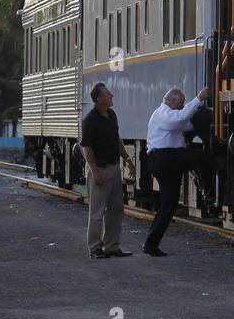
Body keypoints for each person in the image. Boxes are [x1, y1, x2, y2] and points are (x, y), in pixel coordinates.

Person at [142, 86, 214, 257]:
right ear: (173, 101)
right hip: (165, 159)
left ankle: (151, 245)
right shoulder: (162, 113)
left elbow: (185, 122)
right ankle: (209, 189)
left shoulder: (169, 115)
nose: (182, 107)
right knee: (205, 157)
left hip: (169, 160)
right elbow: (178, 119)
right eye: (181, 104)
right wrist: (198, 99)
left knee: (169, 204)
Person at [80, 82, 135, 259]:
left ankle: (112, 246)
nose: (112, 96)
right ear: (99, 99)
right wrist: (95, 172)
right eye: (108, 94)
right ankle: (95, 248)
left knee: (116, 209)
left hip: (113, 167)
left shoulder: (111, 115)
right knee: (97, 212)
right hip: (100, 169)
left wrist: (127, 159)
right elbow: (86, 148)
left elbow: (116, 140)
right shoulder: (90, 120)